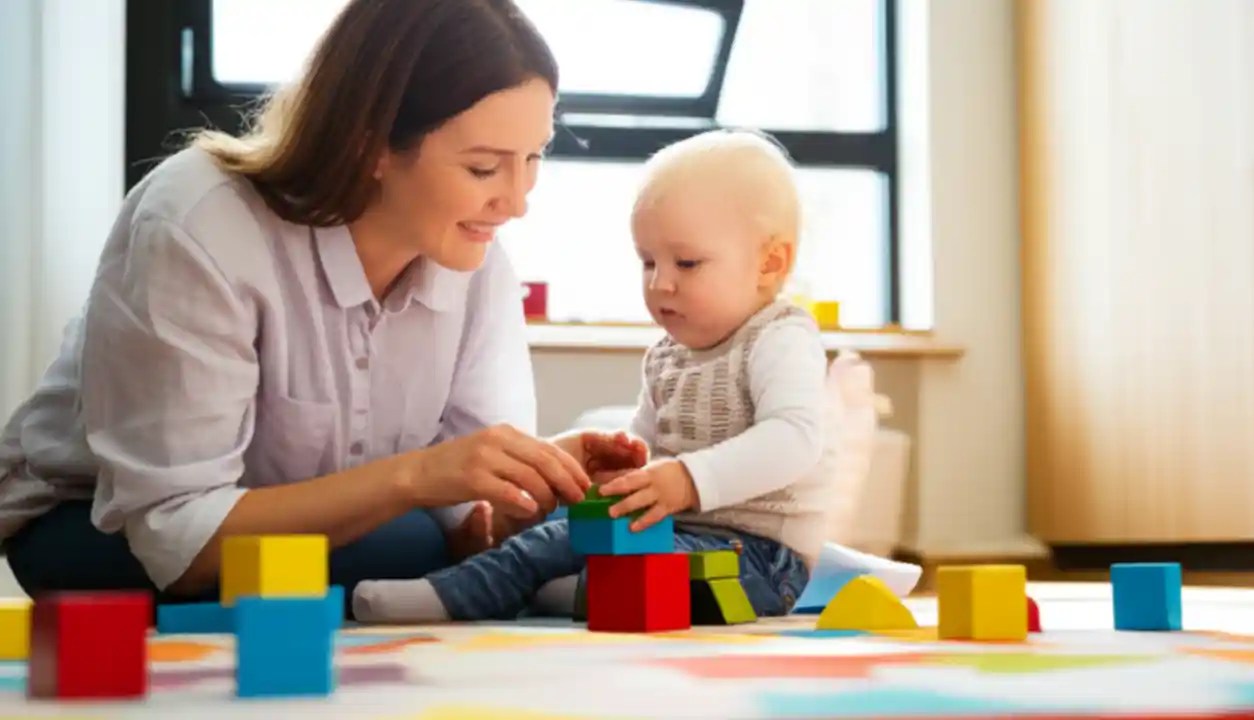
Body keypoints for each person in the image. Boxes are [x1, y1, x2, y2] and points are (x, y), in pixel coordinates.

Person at [0, 0, 599, 611]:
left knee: (428, 550)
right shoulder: (200, 223)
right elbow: (176, 540)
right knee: (403, 548)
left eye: (534, 159)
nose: (518, 202)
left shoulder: (474, 258)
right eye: (483, 168)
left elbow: (464, 521)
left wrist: (536, 492)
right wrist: (416, 480)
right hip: (96, 526)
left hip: (338, 535)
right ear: (372, 144)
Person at [351, 129, 832, 623]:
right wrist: (622, 472)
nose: (661, 283)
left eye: (687, 263)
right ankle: (528, 589)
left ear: (770, 264)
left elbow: (794, 438)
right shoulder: (668, 354)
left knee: (562, 547)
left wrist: (687, 481)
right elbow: (651, 455)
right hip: (674, 535)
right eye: (648, 262)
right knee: (564, 529)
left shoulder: (780, 337)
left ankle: (454, 596)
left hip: (761, 559)